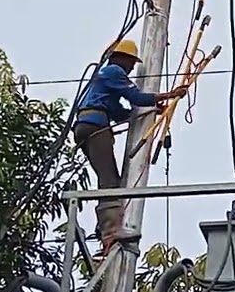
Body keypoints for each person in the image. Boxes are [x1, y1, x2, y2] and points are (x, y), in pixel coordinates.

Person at [73, 39, 187, 244]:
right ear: (121, 58)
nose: (133, 67)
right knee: (109, 181)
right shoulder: (114, 71)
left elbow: (119, 113)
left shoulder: (102, 81)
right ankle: (110, 231)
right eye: (132, 62)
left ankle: (103, 226)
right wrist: (170, 94)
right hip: (95, 126)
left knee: (108, 178)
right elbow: (136, 97)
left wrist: (152, 110)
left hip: (84, 126)